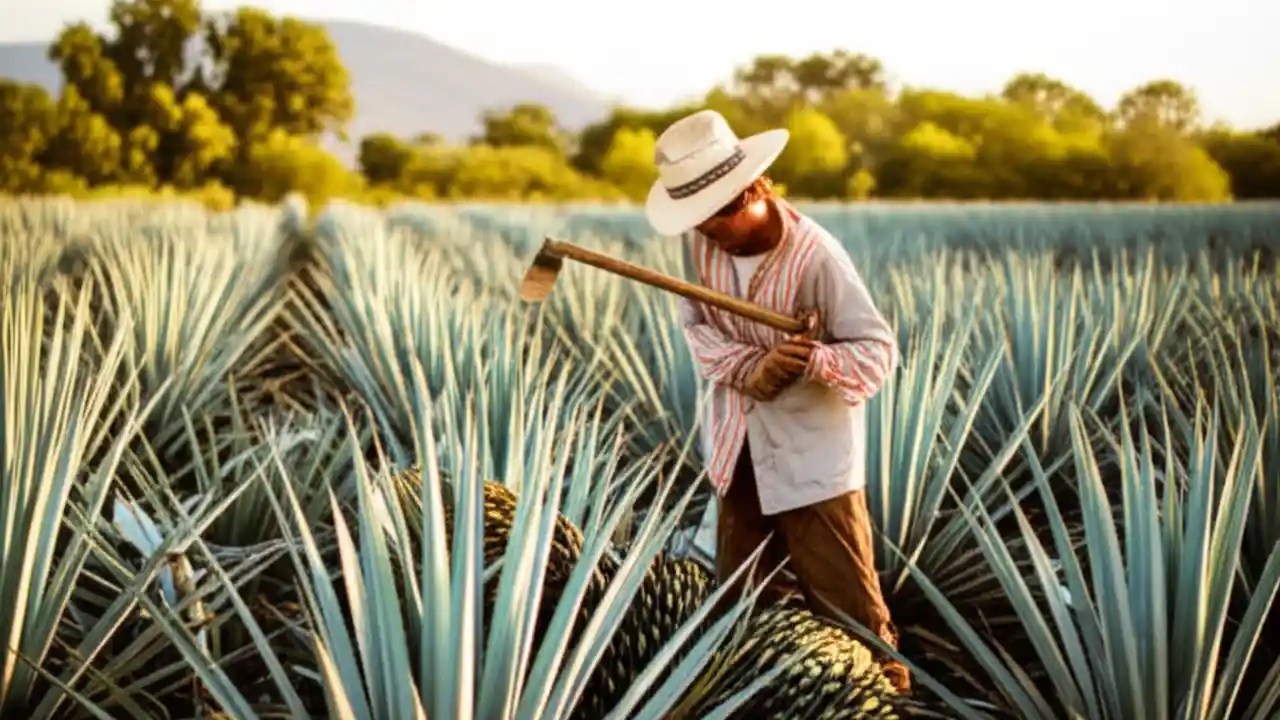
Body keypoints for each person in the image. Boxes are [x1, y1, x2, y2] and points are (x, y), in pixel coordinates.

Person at [642, 109, 910, 694]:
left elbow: (877, 350)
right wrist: (750, 370)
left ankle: (886, 699)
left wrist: (812, 360)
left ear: (751, 191)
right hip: (736, 443)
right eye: (697, 220)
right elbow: (698, 329)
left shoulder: (818, 256)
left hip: (812, 456)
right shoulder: (700, 247)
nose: (706, 232)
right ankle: (762, 697)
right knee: (743, 597)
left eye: (714, 217)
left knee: (849, 605)